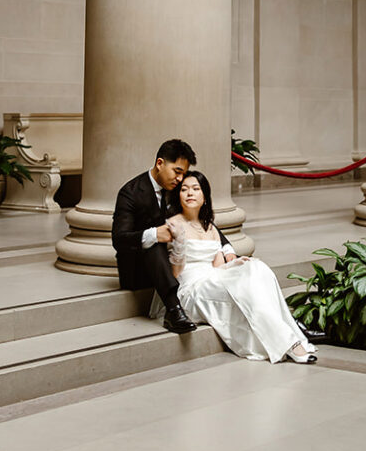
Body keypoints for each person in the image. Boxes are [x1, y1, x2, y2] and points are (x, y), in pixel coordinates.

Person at [169, 170, 318, 363]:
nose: (190, 193)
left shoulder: (210, 228)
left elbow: (217, 268)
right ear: (178, 195)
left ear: (204, 196)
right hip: (191, 289)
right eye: (184, 189)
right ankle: (291, 343)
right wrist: (179, 245)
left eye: (196, 189)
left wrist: (236, 264)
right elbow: (174, 273)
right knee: (243, 287)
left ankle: (287, 338)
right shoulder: (172, 224)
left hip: (211, 279)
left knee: (257, 268)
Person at [112, 138, 197, 335]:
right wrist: (153, 234)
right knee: (152, 240)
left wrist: (226, 248)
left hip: (173, 265)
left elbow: (201, 216)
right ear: (160, 164)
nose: (179, 179)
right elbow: (119, 239)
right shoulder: (130, 193)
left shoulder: (177, 190)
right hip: (137, 270)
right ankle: (173, 310)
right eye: (177, 171)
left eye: (183, 174)